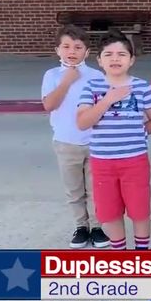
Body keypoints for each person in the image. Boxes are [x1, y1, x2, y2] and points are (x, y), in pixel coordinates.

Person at [76, 31, 151, 250]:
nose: (115, 59)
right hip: (103, 162)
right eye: (109, 54)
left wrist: (139, 134)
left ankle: (142, 251)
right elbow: (82, 122)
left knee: (139, 209)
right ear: (99, 60)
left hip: (134, 160)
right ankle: (120, 251)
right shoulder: (91, 88)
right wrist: (107, 100)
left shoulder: (141, 87)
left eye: (121, 54)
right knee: (109, 211)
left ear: (131, 59)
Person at [41, 25, 109, 248]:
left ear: (87, 53)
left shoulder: (96, 75)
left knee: (96, 188)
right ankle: (81, 226)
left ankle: (98, 227)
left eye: (78, 47)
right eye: (66, 46)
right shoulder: (52, 75)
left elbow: (103, 108)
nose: (72, 51)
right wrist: (67, 81)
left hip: (94, 141)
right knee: (74, 189)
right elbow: (49, 104)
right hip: (65, 142)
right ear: (58, 50)